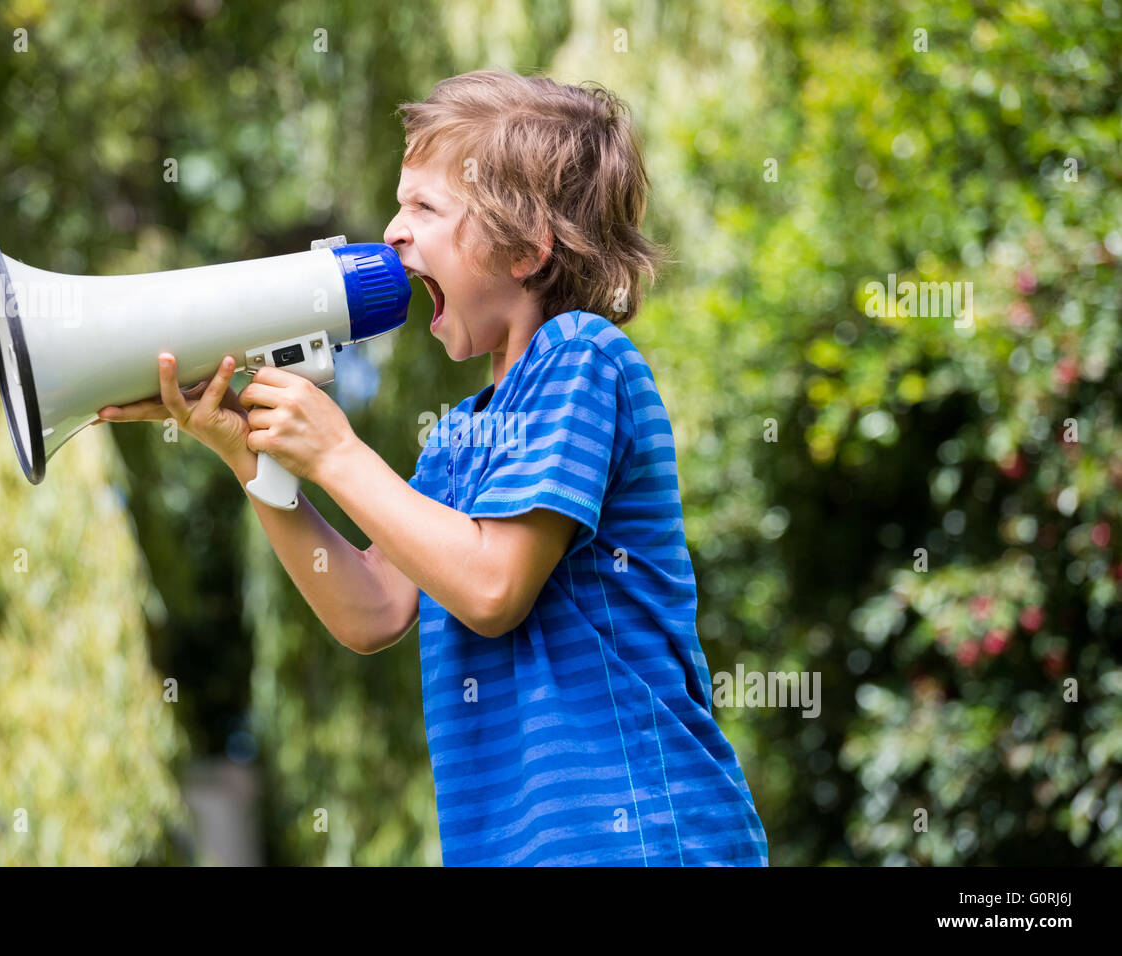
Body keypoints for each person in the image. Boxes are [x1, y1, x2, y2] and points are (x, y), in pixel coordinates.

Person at [96, 68, 768, 866]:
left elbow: (491, 588)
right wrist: (253, 459)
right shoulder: (458, 436)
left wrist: (339, 454)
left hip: (643, 837)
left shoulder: (583, 356)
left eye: (423, 207)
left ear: (526, 246)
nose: (392, 231)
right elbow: (373, 609)